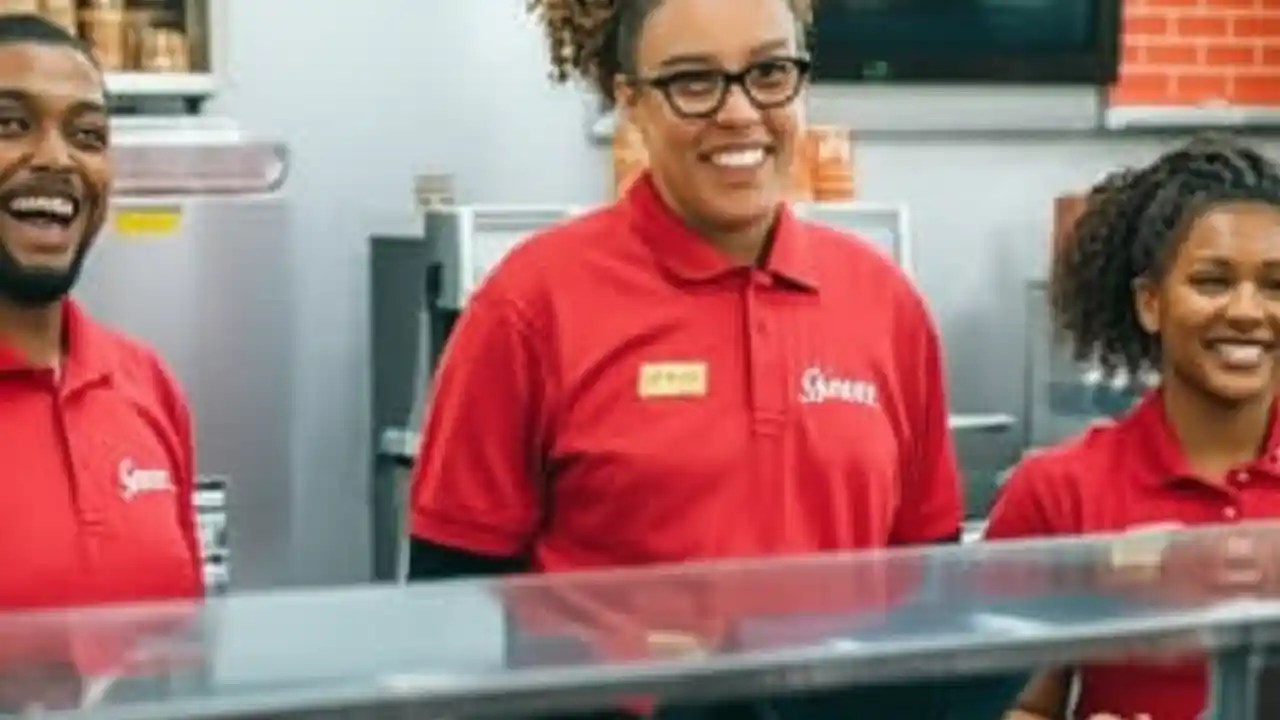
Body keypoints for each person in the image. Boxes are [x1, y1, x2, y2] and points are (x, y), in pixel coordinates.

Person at [406, 0, 1029, 716]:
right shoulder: (529, 307)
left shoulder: (885, 305)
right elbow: (450, 616)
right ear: (630, 101)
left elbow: (924, 587)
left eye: (769, 72)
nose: (739, 113)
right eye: (693, 82)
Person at [985, 135, 1280, 720]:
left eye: (1276, 285)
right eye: (1213, 281)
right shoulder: (1058, 492)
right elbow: (1013, 707)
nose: (1247, 311)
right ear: (1151, 303)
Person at [0, 14, 203, 611]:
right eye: (10, 124)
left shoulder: (146, 383)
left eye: (88, 136)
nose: (57, 159)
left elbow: (180, 648)